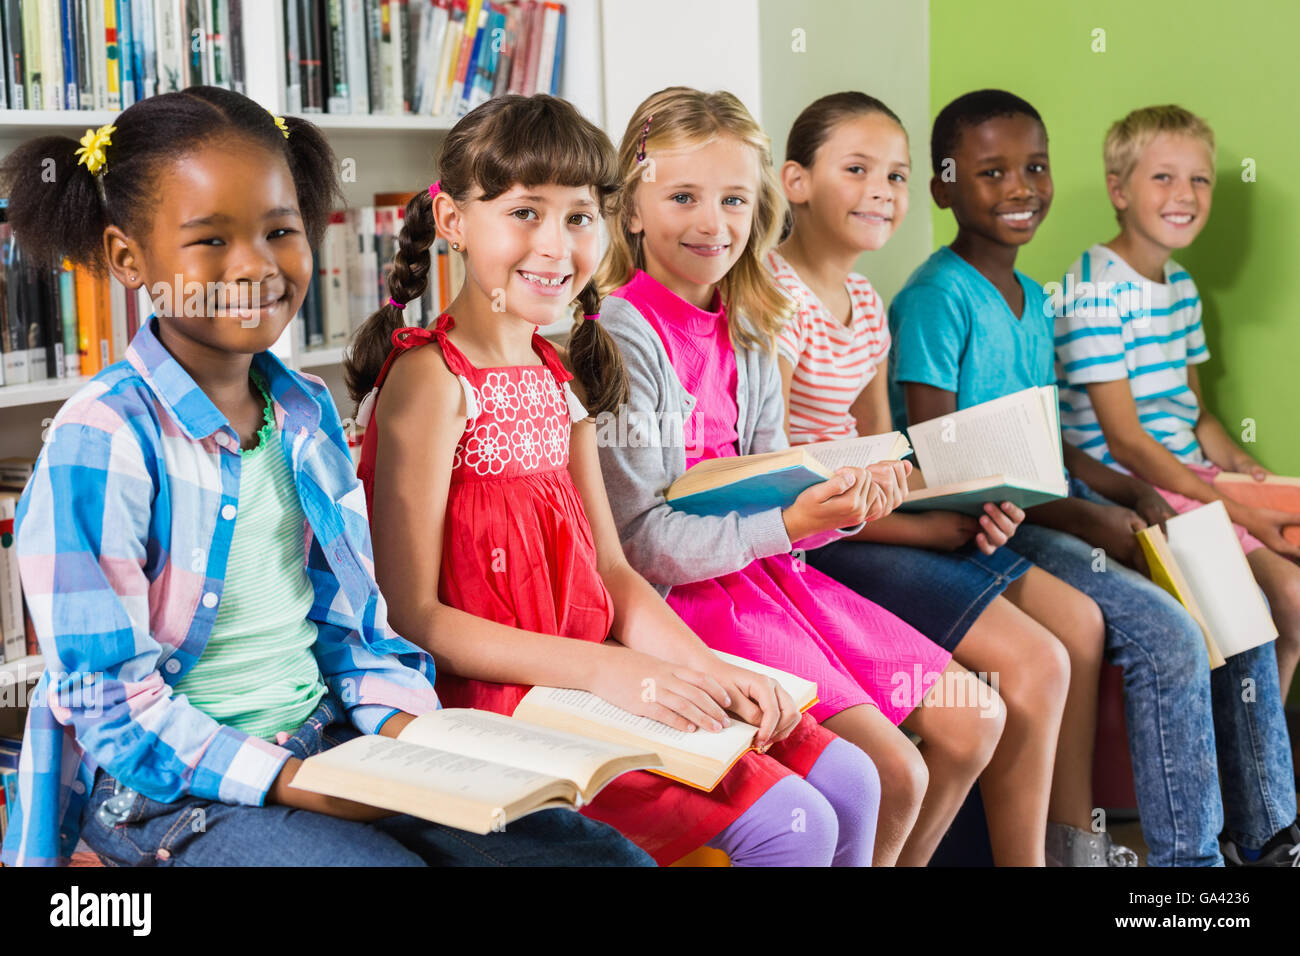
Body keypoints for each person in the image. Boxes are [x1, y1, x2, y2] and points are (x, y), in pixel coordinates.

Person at [0, 87, 650, 868]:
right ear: (128, 258)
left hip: (328, 741)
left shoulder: (305, 413)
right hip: (168, 794)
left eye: (281, 230)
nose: (257, 265)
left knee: (597, 859)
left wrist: (424, 744)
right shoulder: (102, 440)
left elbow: (357, 629)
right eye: (210, 240)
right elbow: (111, 705)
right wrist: (297, 782)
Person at [348, 93, 880, 867]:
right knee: (788, 823)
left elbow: (615, 571)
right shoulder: (430, 380)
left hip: (603, 672)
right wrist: (610, 670)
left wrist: (707, 668)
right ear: (454, 222)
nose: (556, 246)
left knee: (852, 781)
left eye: (578, 216)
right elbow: (414, 616)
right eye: (525, 212)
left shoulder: (559, 373)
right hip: (505, 698)